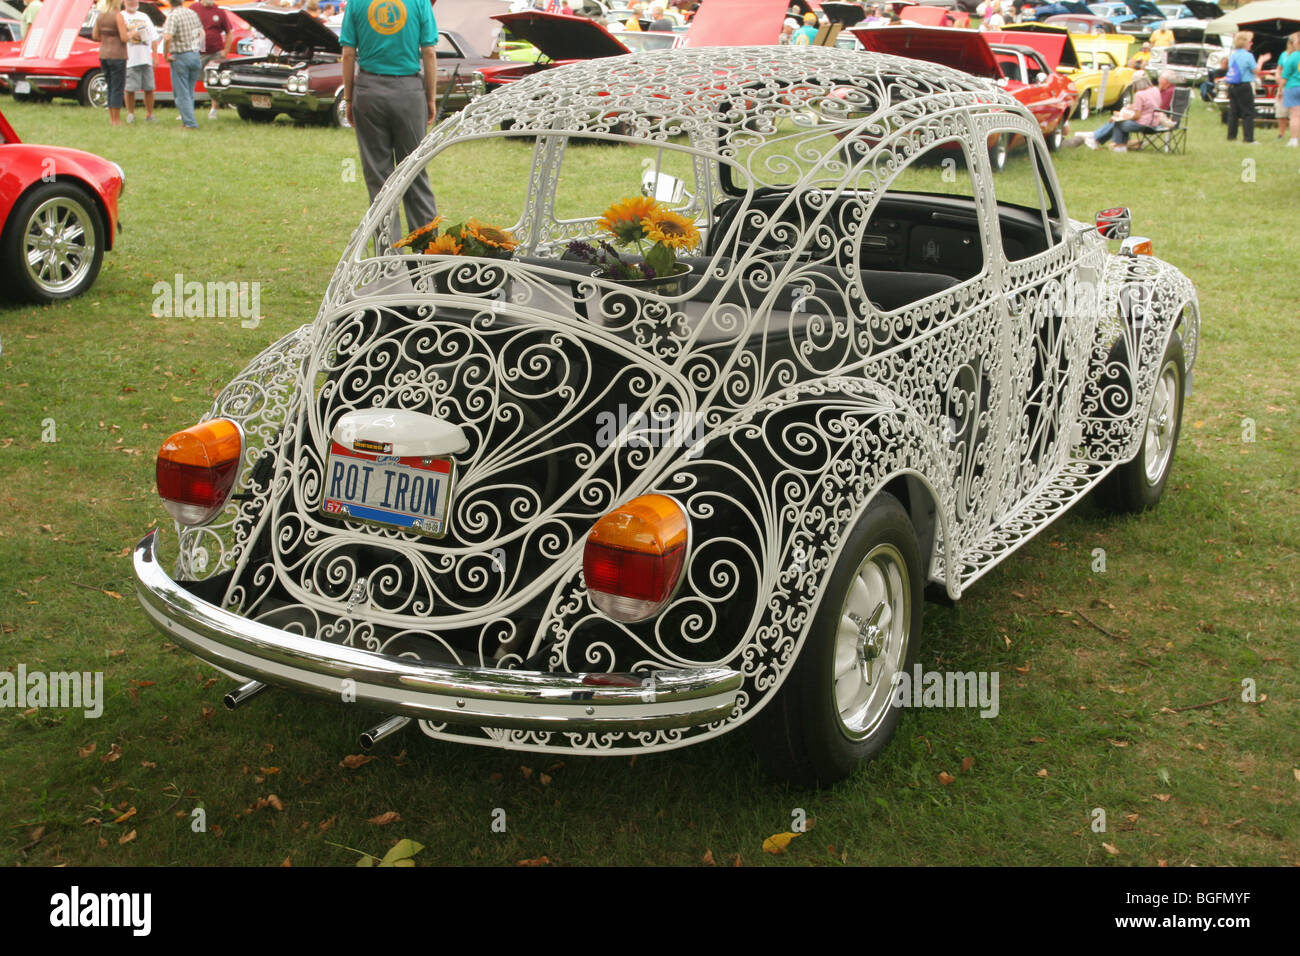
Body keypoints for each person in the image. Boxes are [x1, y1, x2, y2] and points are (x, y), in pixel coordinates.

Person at [340, 0, 440, 244]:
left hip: (369, 89)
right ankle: (427, 253)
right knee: (415, 171)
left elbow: (348, 54)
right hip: (408, 91)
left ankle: (387, 258)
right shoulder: (419, 2)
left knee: (378, 178)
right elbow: (429, 52)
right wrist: (430, 97)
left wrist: (349, 98)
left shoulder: (356, 3)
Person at [1079, 73, 1162, 151]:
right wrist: (1133, 106)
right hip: (1154, 122)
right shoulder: (1155, 90)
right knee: (1118, 120)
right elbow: (1150, 104)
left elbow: (1137, 116)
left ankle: (1114, 144)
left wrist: (1126, 116)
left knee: (1118, 122)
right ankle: (1097, 138)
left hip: (1144, 124)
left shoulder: (1139, 94)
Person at [162, 0, 203, 130]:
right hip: (195, 54)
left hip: (180, 55)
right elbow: (201, 33)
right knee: (189, 91)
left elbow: (168, 37)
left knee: (181, 93)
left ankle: (189, 123)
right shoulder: (192, 13)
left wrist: (165, 54)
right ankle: (187, 119)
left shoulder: (173, 16)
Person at [1225, 31, 1270, 144]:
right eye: (1250, 41)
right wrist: (1261, 61)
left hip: (1232, 86)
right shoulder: (1248, 55)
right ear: (1245, 43)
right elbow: (1256, 71)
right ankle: (1249, 138)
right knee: (1248, 113)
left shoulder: (1233, 55)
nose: (1252, 43)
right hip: (1244, 86)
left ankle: (1231, 137)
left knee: (1233, 112)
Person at [192, 0, 233, 120]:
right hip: (197, 52)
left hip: (215, 52)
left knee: (214, 81)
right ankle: (187, 109)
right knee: (191, 80)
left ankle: (214, 110)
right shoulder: (193, 8)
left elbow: (229, 32)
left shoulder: (219, 11)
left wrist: (225, 51)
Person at [92, 0, 129, 127]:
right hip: (117, 54)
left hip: (104, 54)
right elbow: (124, 37)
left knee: (110, 86)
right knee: (118, 87)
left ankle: (111, 118)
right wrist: (133, 33)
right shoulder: (118, 15)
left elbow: (95, 36)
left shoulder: (101, 15)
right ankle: (116, 119)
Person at [121, 0, 158, 124]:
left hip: (146, 58)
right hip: (130, 58)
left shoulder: (144, 16)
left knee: (149, 88)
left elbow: (153, 37)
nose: (132, 3)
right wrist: (133, 35)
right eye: (129, 1)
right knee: (130, 89)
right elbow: (122, 36)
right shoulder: (121, 16)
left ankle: (150, 114)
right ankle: (131, 114)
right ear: (124, 2)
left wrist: (155, 56)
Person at [1279, 31, 1300, 147]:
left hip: (1292, 87)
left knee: (1295, 115)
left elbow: (1285, 75)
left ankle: (1294, 140)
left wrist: (1280, 89)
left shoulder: (1293, 56)